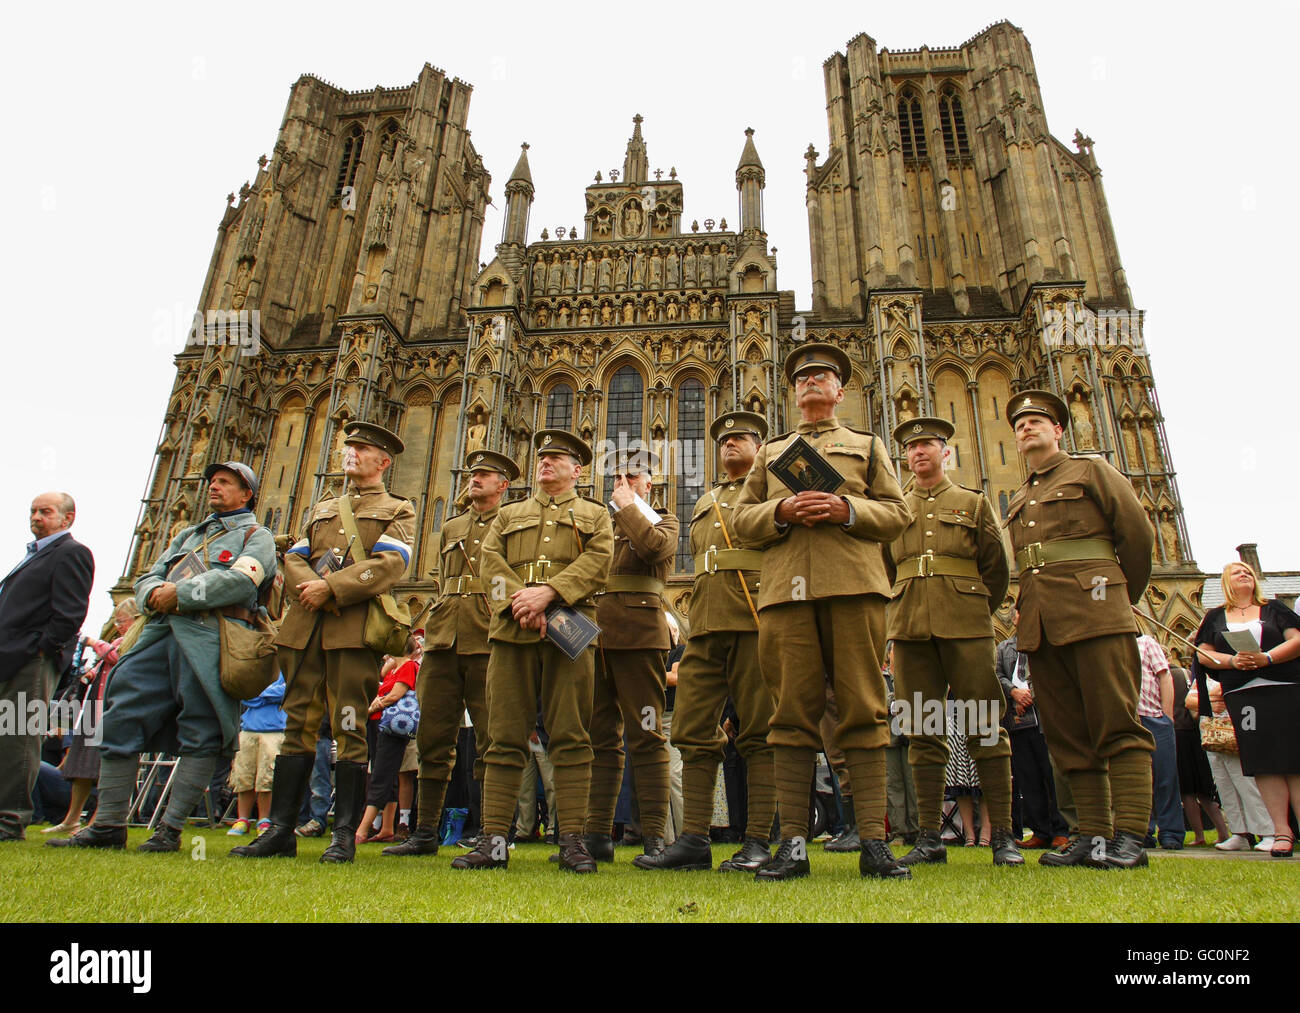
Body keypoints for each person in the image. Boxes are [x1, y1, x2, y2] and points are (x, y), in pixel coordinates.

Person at [733, 343, 912, 880]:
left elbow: (898, 513)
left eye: (822, 375)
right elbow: (741, 520)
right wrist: (781, 510)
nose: (811, 381)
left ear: (840, 388)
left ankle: (875, 843)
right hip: (787, 592)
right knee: (789, 713)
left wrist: (848, 508)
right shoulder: (771, 453)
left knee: (864, 708)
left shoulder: (868, 445)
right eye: (802, 376)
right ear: (793, 391)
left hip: (855, 588)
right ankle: (792, 843)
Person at [51, 464, 276, 852]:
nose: (214, 488)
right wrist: (153, 594)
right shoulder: (189, 535)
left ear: (247, 495)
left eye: (225, 483)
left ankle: (168, 831)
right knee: (120, 720)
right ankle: (107, 825)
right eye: (213, 482)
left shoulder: (257, 537)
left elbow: (242, 581)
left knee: (202, 732)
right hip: (158, 636)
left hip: (210, 640)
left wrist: (182, 595)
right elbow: (147, 577)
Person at [231, 421, 415, 863]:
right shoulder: (323, 506)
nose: (351, 453)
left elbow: (391, 564)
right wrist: (310, 585)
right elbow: (293, 556)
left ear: (383, 461)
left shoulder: (397, 508)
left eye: (363, 448)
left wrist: (333, 589)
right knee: (296, 726)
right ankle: (280, 830)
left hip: (351, 632)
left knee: (350, 728)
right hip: (305, 628)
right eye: (349, 446)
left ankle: (343, 836)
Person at [1002, 390, 1155, 869]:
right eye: (1020, 422)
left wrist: (1110, 597)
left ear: (1059, 429)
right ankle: (1092, 836)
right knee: (1068, 737)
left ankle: (1130, 837)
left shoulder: (1092, 472)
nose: (1027, 427)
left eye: (1038, 420)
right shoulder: (1021, 494)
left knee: (1117, 725)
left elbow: (1137, 537)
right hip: (1043, 628)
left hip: (1096, 615)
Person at [453, 429, 613, 872]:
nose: (546, 463)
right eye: (543, 458)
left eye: (557, 458)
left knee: (571, 736)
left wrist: (551, 593)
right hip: (512, 632)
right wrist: (519, 600)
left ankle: (573, 841)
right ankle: (495, 840)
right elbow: (490, 562)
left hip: (570, 631)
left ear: (576, 470)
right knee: (503, 737)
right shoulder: (509, 515)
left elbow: (599, 561)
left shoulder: (595, 515)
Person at [635, 410, 777, 873]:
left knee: (759, 732)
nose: (729, 444)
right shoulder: (706, 500)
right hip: (706, 625)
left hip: (755, 620)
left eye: (740, 438)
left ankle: (757, 840)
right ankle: (695, 837)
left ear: (760, 446)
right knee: (694, 728)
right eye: (724, 440)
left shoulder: (773, 491)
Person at [882, 417, 1021, 867]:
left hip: (966, 627)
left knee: (984, 726)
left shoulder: (973, 503)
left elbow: (995, 569)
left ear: (946, 451)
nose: (919, 452)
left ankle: (1002, 835)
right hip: (911, 632)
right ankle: (929, 838)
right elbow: (887, 571)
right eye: (911, 447)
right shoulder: (897, 510)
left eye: (928, 445)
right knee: (923, 730)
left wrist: (973, 607)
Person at [385, 450, 520, 857]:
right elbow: (445, 582)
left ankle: (492, 832)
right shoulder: (452, 527)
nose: (474, 479)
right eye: (472, 473)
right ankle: (425, 831)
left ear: (503, 484)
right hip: (444, 638)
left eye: (484, 474)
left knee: (490, 739)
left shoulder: (513, 522)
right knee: (433, 738)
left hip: (488, 638)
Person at [584, 448, 678, 861]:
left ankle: (655, 836)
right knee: (601, 739)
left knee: (647, 736)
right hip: (596, 638)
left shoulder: (664, 519)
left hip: (640, 637)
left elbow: (655, 550)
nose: (621, 483)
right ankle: (597, 836)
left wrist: (628, 508)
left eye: (631, 477)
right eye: (616, 477)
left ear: (648, 484)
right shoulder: (601, 526)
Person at [0, 492, 95, 841]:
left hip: (30, 660)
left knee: (17, 738)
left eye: (46, 511)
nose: (37, 517)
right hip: (11, 658)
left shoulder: (71, 552)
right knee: (6, 737)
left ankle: (9, 821)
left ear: (67, 518)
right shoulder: (34, 555)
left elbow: (70, 614)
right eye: (33, 511)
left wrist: (38, 650)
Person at [1193, 560, 1300, 858]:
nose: (1244, 575)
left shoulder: (1274, 609)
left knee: (1294, 759)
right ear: (1227, 581)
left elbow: (1297, 639)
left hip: (1284, 688)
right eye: (1238, 572)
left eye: (1248, 572)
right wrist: (1231, 662)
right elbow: (1203, 654)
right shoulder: (1215, 617)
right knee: (1262, 762)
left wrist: (1266, 658)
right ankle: (1281, 831)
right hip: (1243, 695)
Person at [44, 599, 140, 835]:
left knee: (103, 769)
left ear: (136, 619)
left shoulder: (137, 640)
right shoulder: (119, 639)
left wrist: (93, 642)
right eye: (116, 621)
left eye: (122, 621)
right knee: (82, 769)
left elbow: (118, 657)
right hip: (93, 712)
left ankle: (97, 822)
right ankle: (72, 819)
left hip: (113, 713)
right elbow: (103, 666)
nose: (118, 625)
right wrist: (89, 673)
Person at [995, 616, 1069, 849]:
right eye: (1018, 612)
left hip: (1044, 719)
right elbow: (996, 674)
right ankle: (1041, 831)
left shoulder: (1047, 643)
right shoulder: (1004, 647)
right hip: (1017, 722)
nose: (1019, 617)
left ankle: (1062, 830)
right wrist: (1013, 693)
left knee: (1053, 776)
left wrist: (1029, 696)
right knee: (1029, 778)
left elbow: (1055, 673)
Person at [358, 637, 419, 844]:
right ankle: (386, 828)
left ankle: (362, 829)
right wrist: (391, 661)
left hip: (391, 725)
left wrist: (372, 707)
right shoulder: (394, 668)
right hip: (379, 725)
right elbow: (383, 674)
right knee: (386, 774)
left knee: (381, 774)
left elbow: (395, 695)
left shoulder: (409, 666)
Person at [1168, 659, 1230, 846]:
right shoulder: (1186, 674)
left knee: (1187, 790)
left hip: (1178, 733)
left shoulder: (1168, 676)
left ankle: (1199, 836)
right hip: (1196, 734)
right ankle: (1223, 832)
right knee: (1205, 789)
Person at [1135, 634, 1184, 849]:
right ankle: (1142, 831)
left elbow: (1164, 676)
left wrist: (1167, 717)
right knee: (1136, 779)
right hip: (1129, 719)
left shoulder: (1146, 643)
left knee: (1165, 777)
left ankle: (1171, 832)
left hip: (1153, 717)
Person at [226, 673, 287, 836]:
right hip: (248, 729)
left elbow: (285, 691)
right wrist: (268, 694)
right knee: (244, 775)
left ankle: (264, 820)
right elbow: (244, 695)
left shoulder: (283, 668)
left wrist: (258, 693)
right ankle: (242, 820)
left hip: (274, 730)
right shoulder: (257, 667)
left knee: (266, 777)